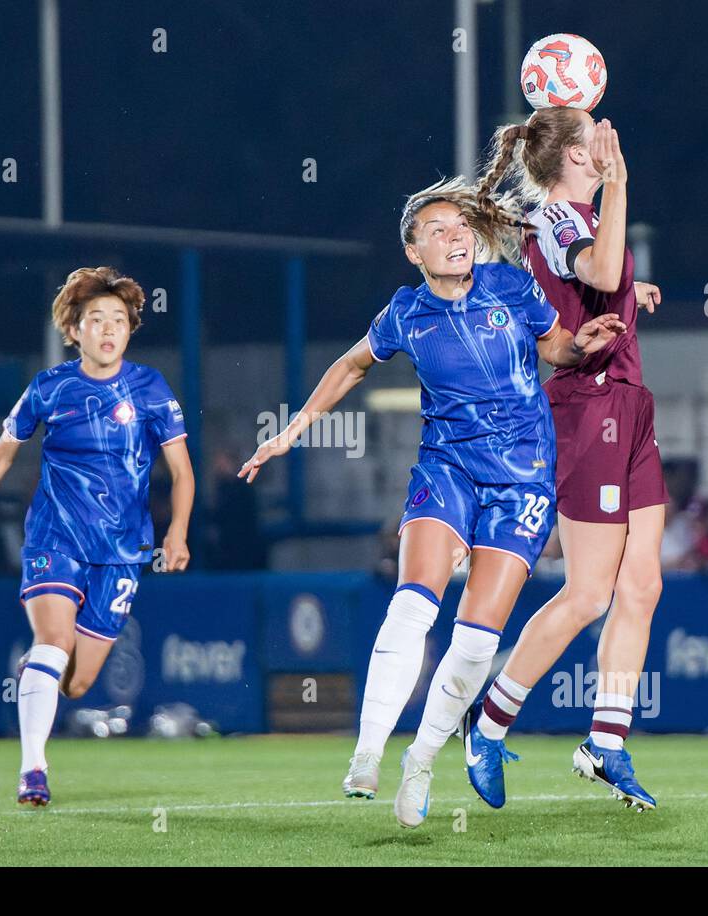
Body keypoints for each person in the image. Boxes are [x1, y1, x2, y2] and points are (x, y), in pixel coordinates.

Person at [240, 181, 624, 827]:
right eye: (438, 230)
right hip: (446, 469)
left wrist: (580, 345)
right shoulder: (404, 313)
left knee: (476, 644)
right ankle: (366, 752)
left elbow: (552, 345)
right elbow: (351, 364)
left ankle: (421, 759)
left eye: (460, 227)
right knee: (414, 601)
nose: (456, 236)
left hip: (521, 480)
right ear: (414, 252)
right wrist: (294, 427)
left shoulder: (508, 286)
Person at [460, 108, 666, 810]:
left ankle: (606, 744)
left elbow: (591, 289)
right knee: (587, 595)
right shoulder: (560, 216)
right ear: (578, 157)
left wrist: (631, 298)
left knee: (642, 588)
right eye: (596, 142)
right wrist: (622, 186)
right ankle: (485, 725)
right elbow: (599, 266)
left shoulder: (569, 216)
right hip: (591, 407)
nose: (607, 148)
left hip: (629, 404)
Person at [0, 267, 195, 806]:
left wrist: (178, 533)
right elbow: (2, 454)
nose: (107, 329)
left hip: (122, 552)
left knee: (75, 683)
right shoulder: (50, 387)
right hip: (56, 538)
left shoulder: (149, 388)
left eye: (118, 320)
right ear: (73, 330)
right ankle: (33, 769)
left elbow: (183, 472)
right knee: (52, 642)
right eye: (95, 319)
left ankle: (40, 675)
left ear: (129, 330)